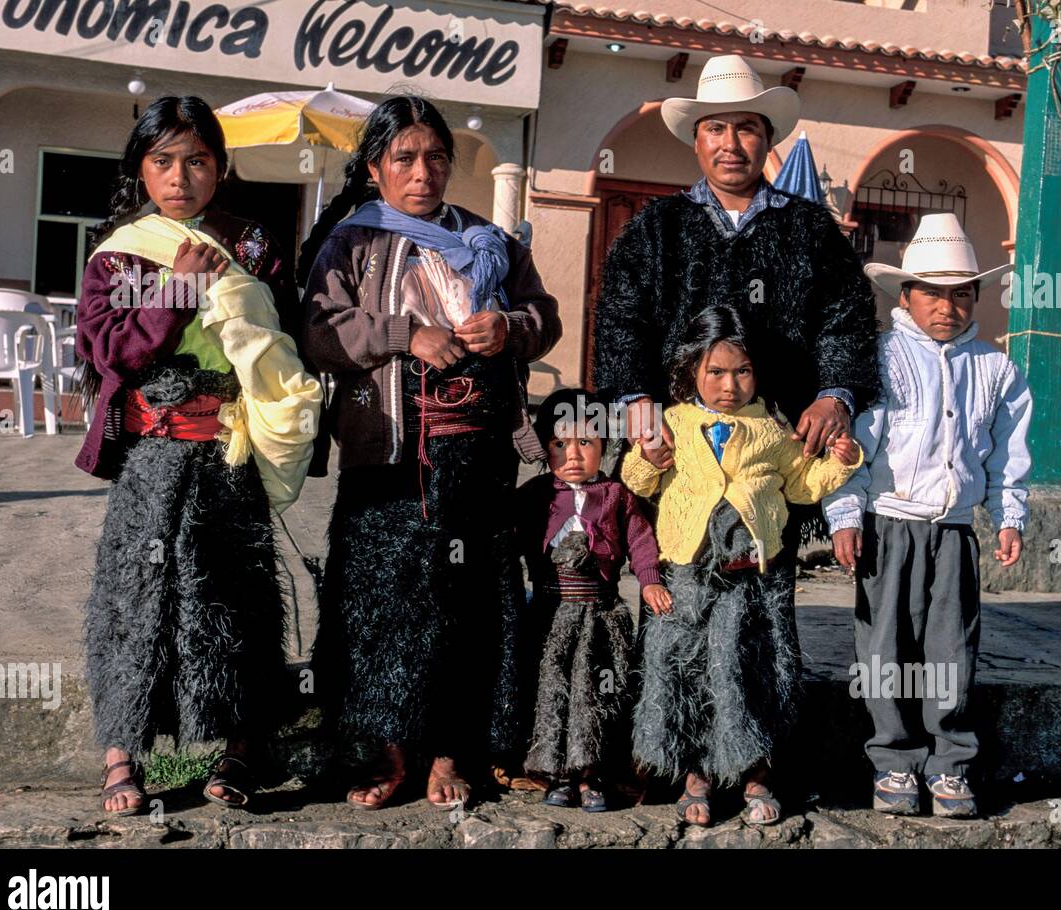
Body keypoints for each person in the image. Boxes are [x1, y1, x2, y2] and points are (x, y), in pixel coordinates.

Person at [300, 95, 560, 811]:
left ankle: (450, 747)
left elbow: (546, 316)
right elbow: (320, 330)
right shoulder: (350, 241)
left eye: (436, 157)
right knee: (385, 602)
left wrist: (508, 326)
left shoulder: (488, 239)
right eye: (404, 158)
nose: (423, 172)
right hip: (389, 453)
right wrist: (402, 334)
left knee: (466, 601)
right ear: (376, 167)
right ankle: (387, 748)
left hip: (475, 456)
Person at [76, 95, 322, 814]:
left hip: (229, 451)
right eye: (163, 161)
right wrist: (177, 288)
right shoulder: (119, 251)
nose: (180, 176)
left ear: (220, 168)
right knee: (137, 602)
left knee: (237, 602)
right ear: (141, 170)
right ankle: (123, 751)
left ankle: (239, 746)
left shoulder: (251, 246)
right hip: (153, 458)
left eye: (197, 161)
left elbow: (285, 338)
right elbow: (110, 347)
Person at [593, 54, 880, 554]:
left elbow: (847, 321)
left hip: (774, 450)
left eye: (746, 128)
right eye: (716, 129)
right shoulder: (655, 228)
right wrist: (637, 402)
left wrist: (834, 395)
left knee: (762, 588)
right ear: (696, 139)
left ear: (768, 139)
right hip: (677, 448)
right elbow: (620, 322)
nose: (731, 144)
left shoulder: (810, 229)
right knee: (676, 588)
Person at [823, 213, 1031, 819]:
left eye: (962, 293)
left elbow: (1009, 454)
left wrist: (1008, 515)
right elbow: (853, 452)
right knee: (883, 649)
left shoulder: (996, 370)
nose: (948, 306)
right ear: (905, 295)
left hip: (954, 532)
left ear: (976, 298)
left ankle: (949, 764)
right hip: (888, 526)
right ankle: (894, 759)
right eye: (933, 293)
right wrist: (845, 517)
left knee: (950, 649)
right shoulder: (881, 361)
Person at [621, 306, 862, 826]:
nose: (730, 385)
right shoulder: (674, 424)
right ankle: (696, 781)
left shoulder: (771, 429)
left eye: (742, 371)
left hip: (750, 581)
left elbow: (800, 485)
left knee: (749, 675)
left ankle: (756, 776)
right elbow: (636, 483)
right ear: (690, 373)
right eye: (716, 372)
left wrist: (839, 462)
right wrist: (647, 458)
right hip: (687, 579)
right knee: (691, 680)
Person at [515, 388, 671, 812]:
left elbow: (640, 541)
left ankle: (592, 775)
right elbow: (508, 541)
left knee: (598, 693)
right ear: (545, 447)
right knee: (554, 692)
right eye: (559, 444)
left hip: (601, 615)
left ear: (604, 444)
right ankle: (557, 774)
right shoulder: (534, 497)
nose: (573, 454)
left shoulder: (617, 496)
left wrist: (650, 580)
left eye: (585, 442)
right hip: (551, 613)